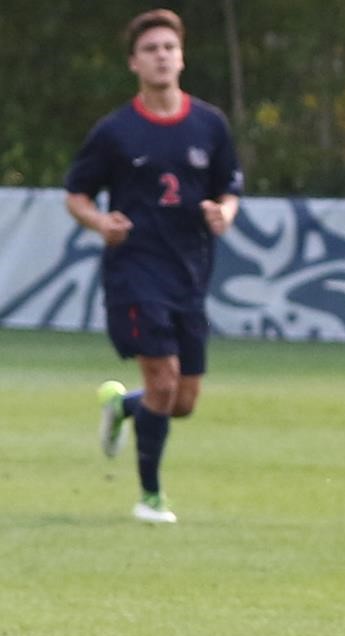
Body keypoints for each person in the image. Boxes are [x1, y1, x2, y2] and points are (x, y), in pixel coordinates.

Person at [66, 8, 242, 525]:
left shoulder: (209, 124)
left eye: (169, 47)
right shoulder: (116, 131)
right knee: (163, 382)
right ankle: (150, 497)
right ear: (134, 63)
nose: (162, 55)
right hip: (135, 271)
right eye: (151, 49)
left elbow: (229, 188)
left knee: (182, 400)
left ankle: (124, 408)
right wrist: (100, 223)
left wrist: (223, 213)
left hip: (190, 271)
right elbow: (76, 193)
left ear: (182, 56)